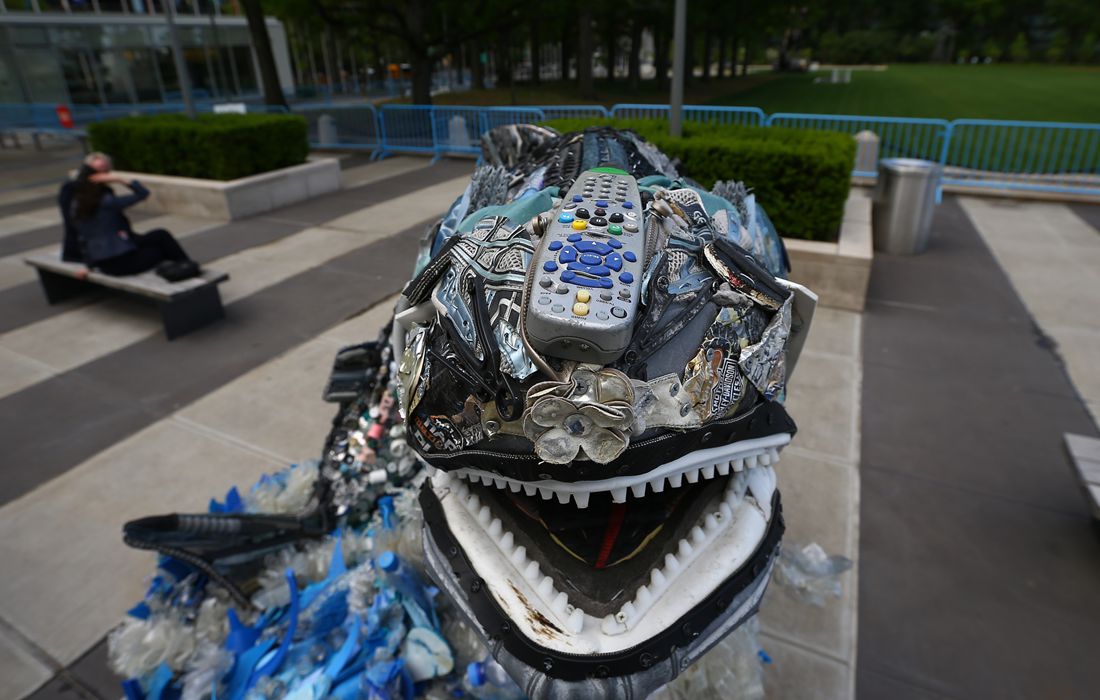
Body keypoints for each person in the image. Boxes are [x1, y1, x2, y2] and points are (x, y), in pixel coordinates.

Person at [62, 152, 198, 280]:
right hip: (124, 264)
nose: (105, 174)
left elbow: (83, 238)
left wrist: (88, 266)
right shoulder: (106, 201)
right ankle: (188, 268)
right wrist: (120, 179)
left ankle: (185, 266)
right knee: (161, 247)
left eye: (106, 170)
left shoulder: (77, 203)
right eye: (102, 171)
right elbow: (143, 193)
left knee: (159, 235)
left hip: (106, 265)